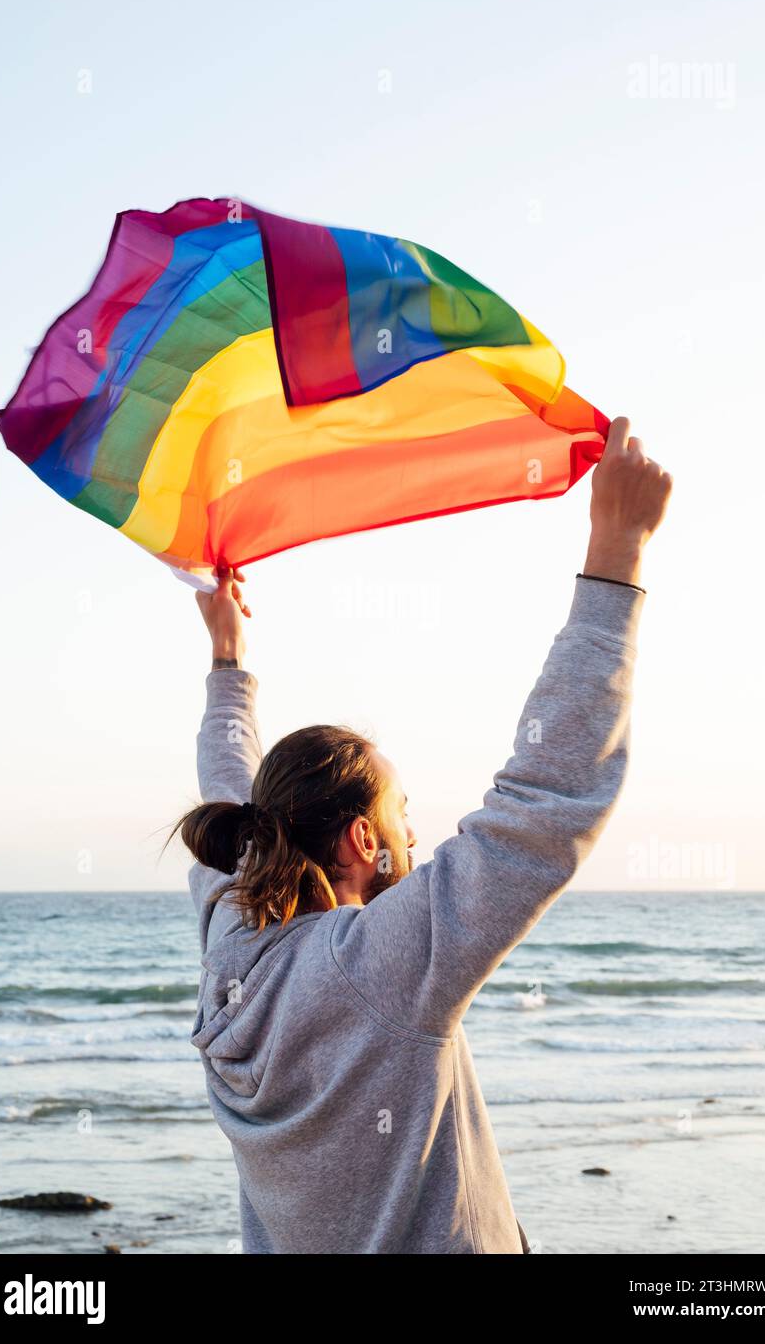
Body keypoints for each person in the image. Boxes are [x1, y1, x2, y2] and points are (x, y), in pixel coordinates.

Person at [172, 415, 672, 1254]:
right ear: (363, 841)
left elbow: (228, 787)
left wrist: (229, 663)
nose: (417, 831)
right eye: (403, 816)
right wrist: (616, 555)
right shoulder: (377, 965)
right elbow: (538, 809)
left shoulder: (228, 941)